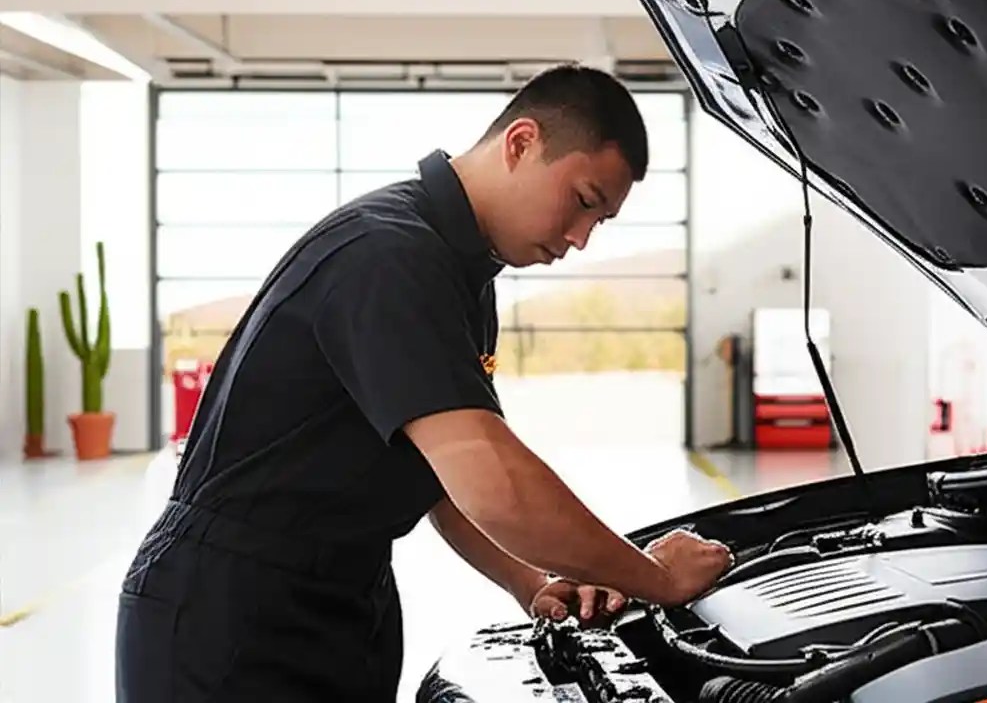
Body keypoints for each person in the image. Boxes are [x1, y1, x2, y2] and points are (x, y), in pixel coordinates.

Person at [115, 64, 733, 702]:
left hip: (342, 600)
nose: (580, 239)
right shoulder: (389, 255)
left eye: (600, 222)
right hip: (230, 612)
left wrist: (531, 583)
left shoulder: (460, 273)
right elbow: (489, 479)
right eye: (583, 201)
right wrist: (656, 578)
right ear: (521, 143)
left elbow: (439, 474)